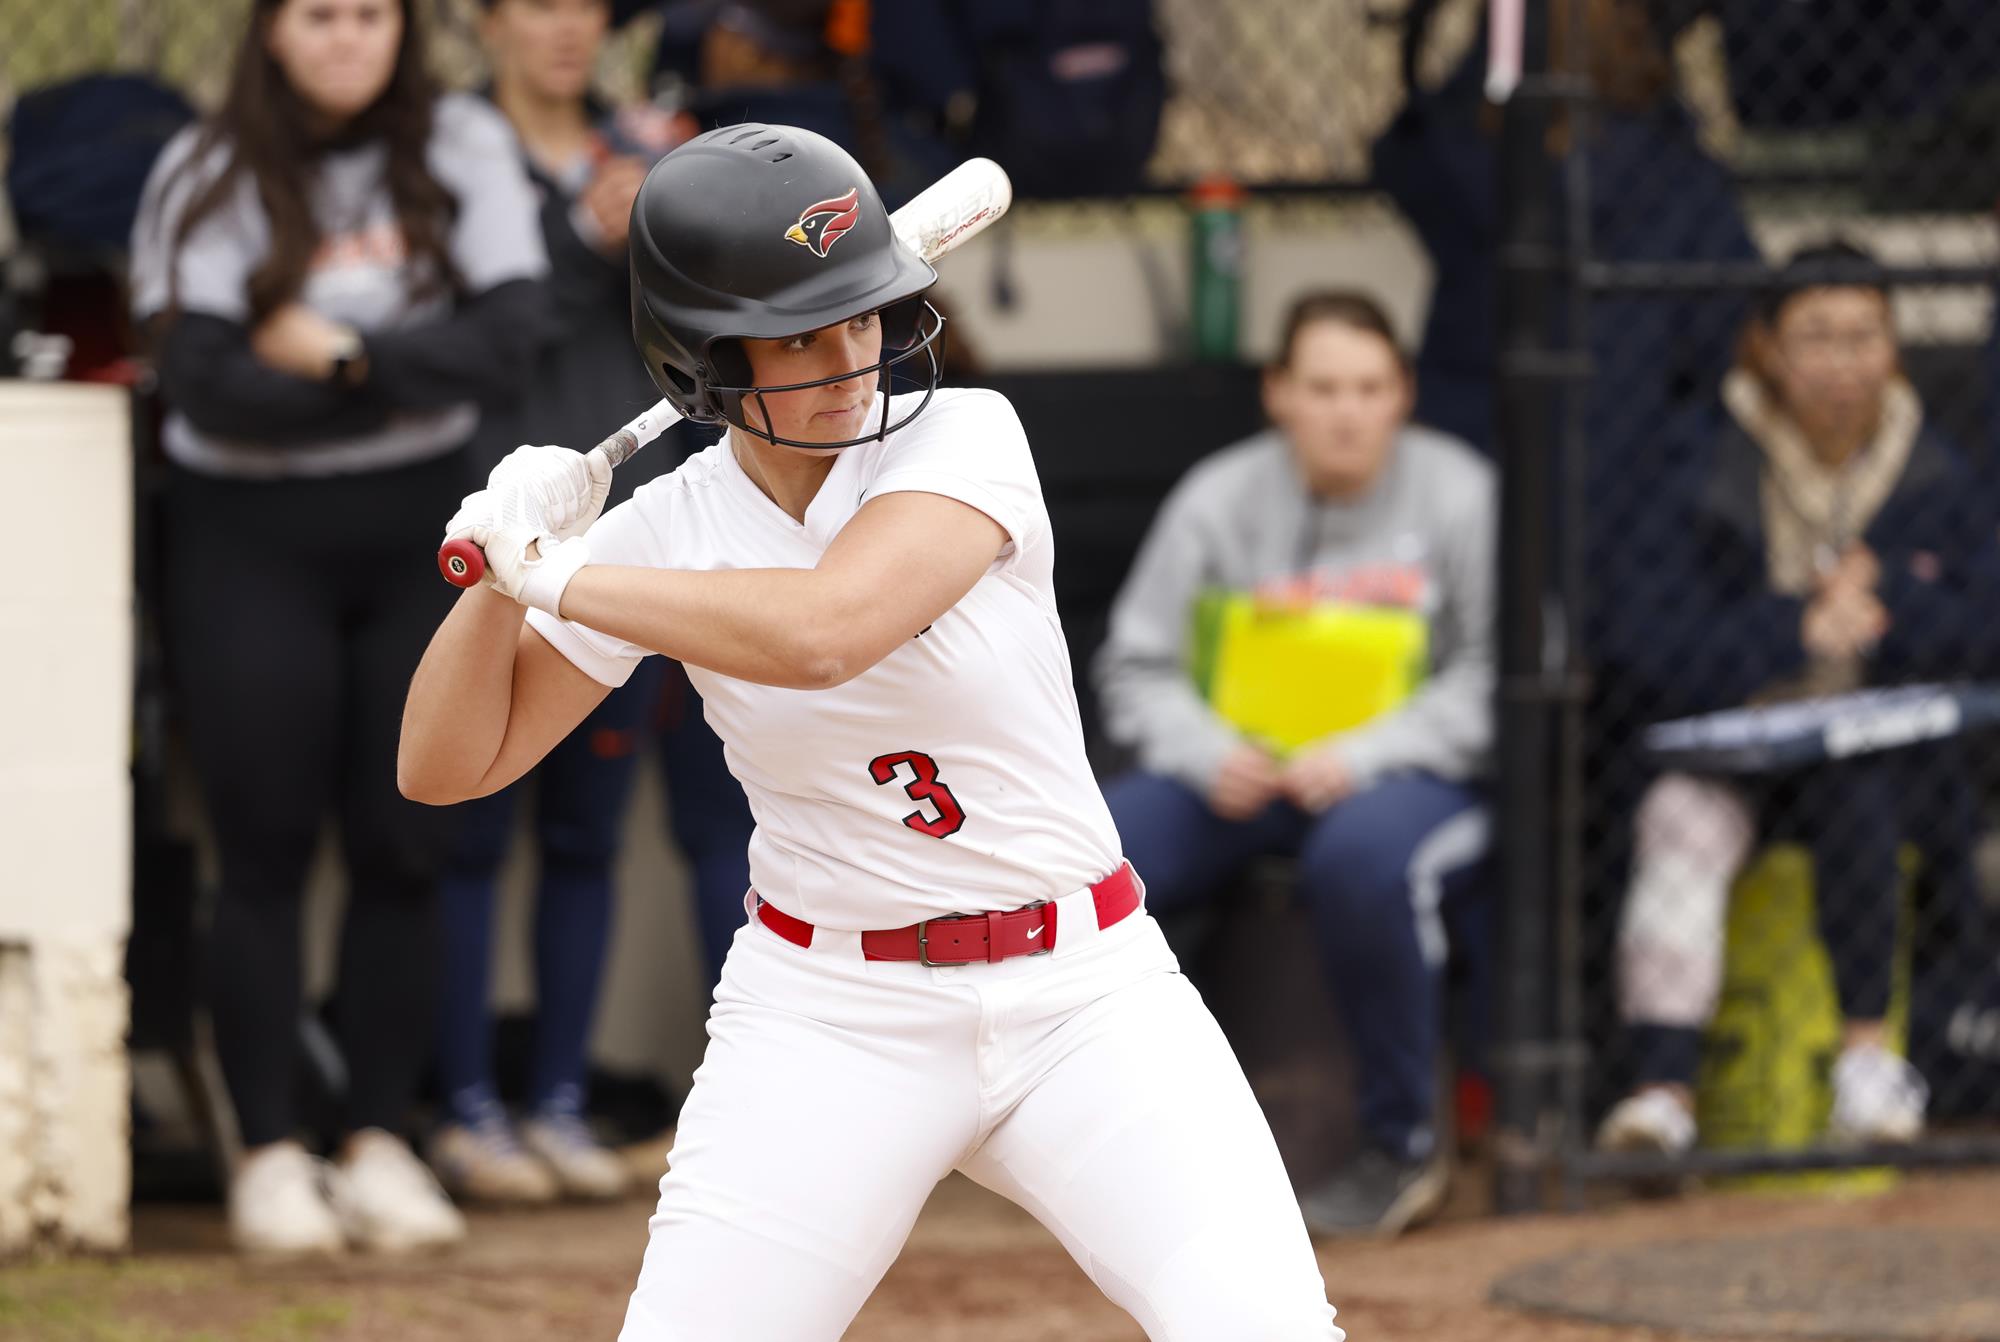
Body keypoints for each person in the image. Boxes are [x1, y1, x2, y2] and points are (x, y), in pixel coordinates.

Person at [398, 124, 1343, 1340]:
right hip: (826, 1008)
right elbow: (445, 766)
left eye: (864, 314)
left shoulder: (966, 438)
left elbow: (827, 630)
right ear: (702, 358)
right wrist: (495, 577)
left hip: (1082, 994)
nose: (851, 357)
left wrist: (554, 578)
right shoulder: (657, 534)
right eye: (801, 331)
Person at [128, 0, 548, 1255]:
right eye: (319, 15)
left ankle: (378, 1141)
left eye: (370, 14)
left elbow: (510, 337)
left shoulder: (463, 143)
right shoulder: (205, 167)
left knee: (403, 842)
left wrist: (341, 362)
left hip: (418, 529)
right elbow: (199, 372)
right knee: (260, 849)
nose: (346, 39)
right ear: (271, 33)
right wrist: (401, 363)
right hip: (245, 534)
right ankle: (267, 1155)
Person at [1092, 289, 1497, 1239]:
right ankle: (1119, 1143)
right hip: (1241, 776)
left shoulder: (1463, 495)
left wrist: (1362, 756)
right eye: (1322, 387)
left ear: (1403, 395)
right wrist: (1205, 753)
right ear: (1279, 394)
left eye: (1368, 387)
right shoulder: (1216, 497)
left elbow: (1496, 679)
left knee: (1360, 864)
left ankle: (1399, 1148)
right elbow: (1134, 665)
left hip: (1403, 783)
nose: (1346, 411)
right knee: (1101, 857)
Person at [1591, 242, 1995, 1156]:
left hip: (1881, 758)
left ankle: (1867, 1068)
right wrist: (1795, 630)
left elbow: (1983, 619)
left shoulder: (1937, 469)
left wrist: (1889, 605)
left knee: (1856, 785)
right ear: (1767, 348)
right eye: (1815, 337)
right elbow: (1648, 639)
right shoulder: (1699, 459)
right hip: (1725, 742)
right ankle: (1663, 1094)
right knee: (1679, 822)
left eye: (1863, 336)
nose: (1842, 362)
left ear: (1894, 348)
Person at [425, 0, 703, 1210]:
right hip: (480, 524)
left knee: (590, 832)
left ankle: (554, 1103)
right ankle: (462, 1112)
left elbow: (698, 321)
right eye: (536, 4)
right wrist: (569, 230)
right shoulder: (440, 149)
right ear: (482, 22)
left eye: (587, 7)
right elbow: (459, 328)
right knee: (467, 825)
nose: (566, 28)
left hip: (614, 533)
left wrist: (656, 216)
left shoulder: (647, 139)